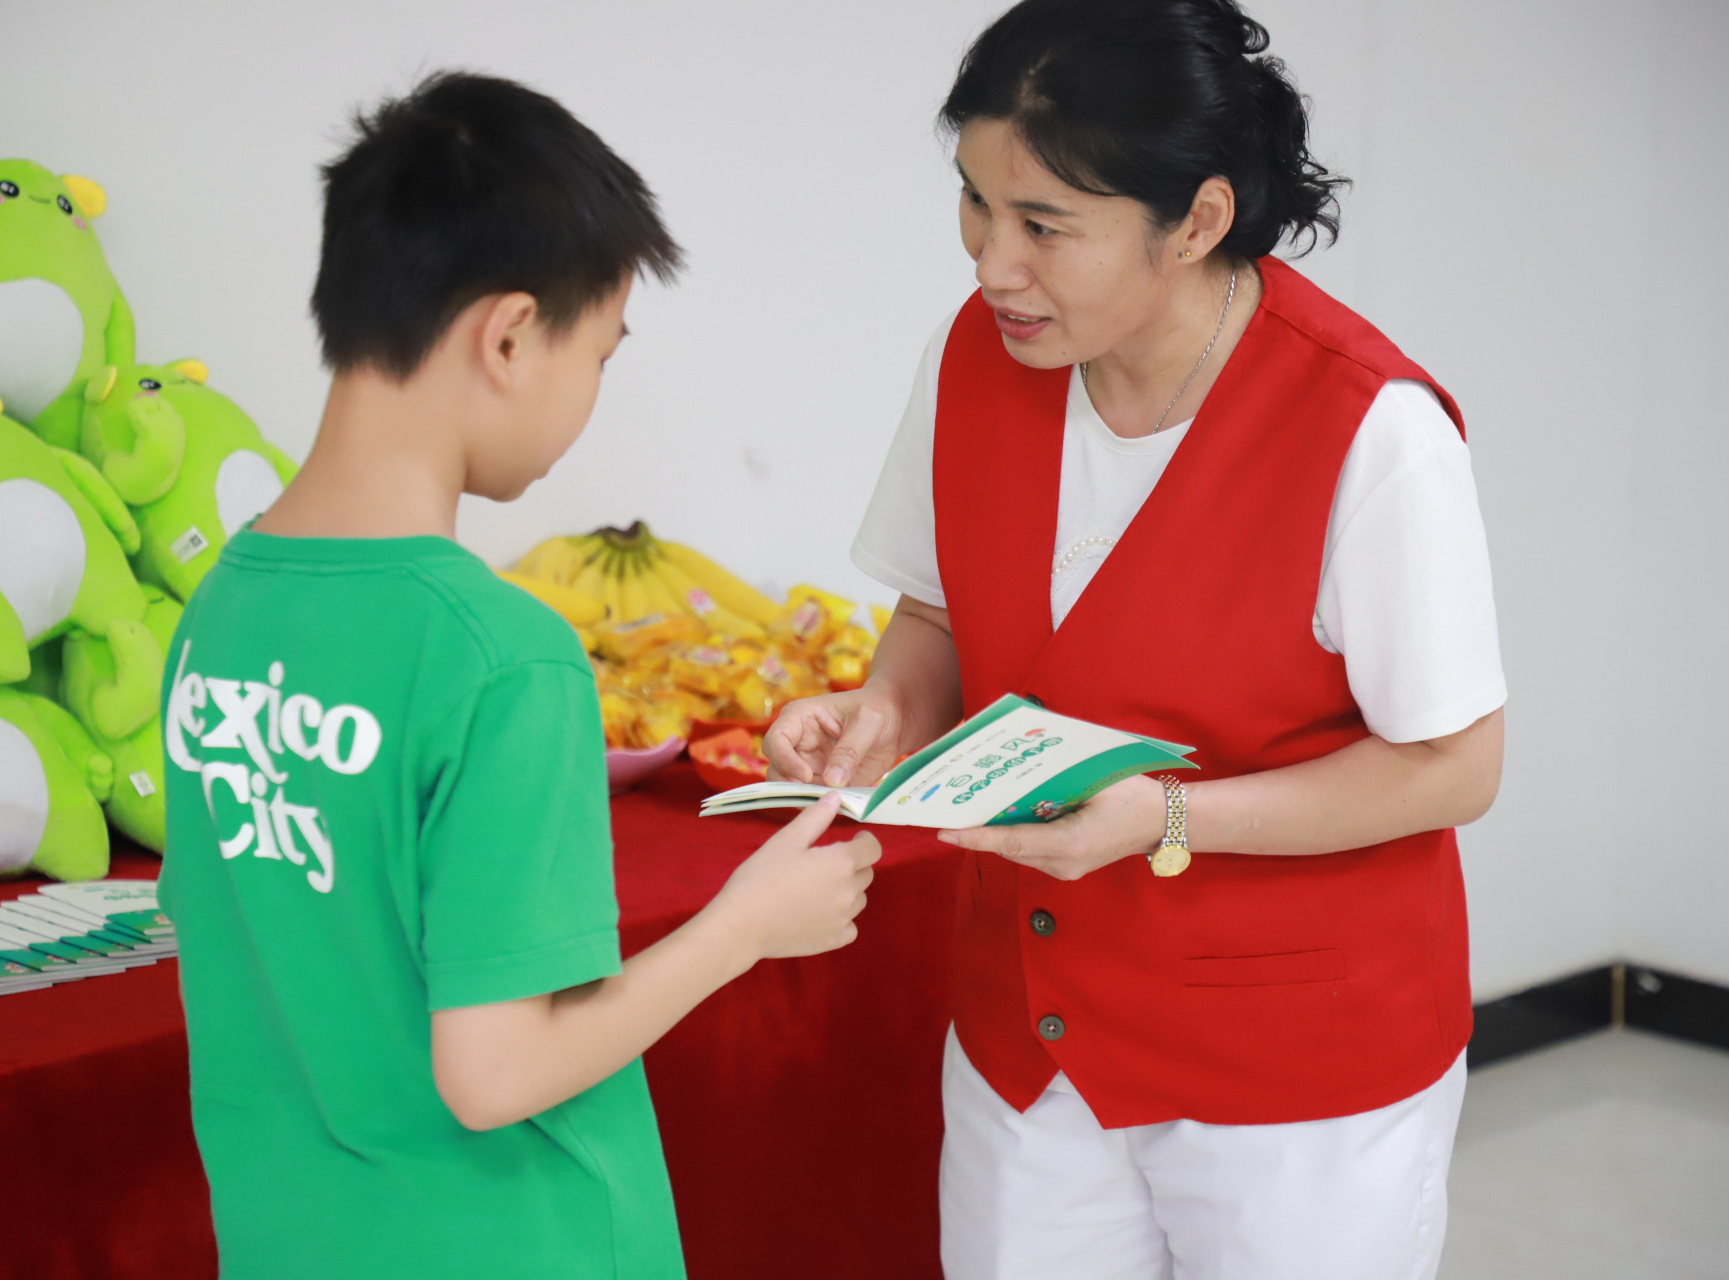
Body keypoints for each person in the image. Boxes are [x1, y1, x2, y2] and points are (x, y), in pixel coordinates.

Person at [765, 2, 1505, 1277]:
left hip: (1297, 1075)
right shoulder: (982, 356)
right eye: (975, 205)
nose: (994, 265)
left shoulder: (1371, 431)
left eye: (1046, 226)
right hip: (1028, 1040)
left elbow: (1453, 765)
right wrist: (889, 703)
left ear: (1198, 222)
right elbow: (939, 608)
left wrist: (1165, 817)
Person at [158, 72, 880, 1280]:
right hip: (518, 1238)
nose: (594, 395)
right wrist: (746, 925)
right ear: (508, 335)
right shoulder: (503, 655)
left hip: (292, 1237)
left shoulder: (219, 609)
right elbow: (492, 1075)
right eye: (600, 351)